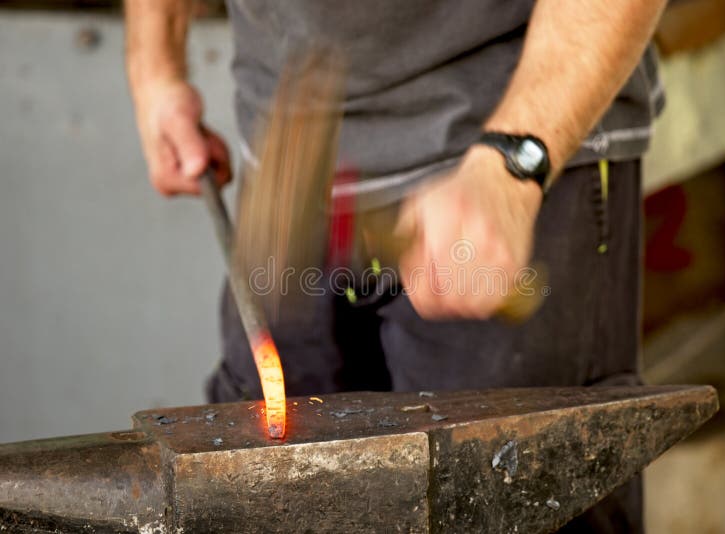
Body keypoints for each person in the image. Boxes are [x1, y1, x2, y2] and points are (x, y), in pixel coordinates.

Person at [125, 1, 667, 531]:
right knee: (255, 489)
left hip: (514, 140)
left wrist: (515, 161)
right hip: (285, 155)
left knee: (508, 491)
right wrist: (156, 68)